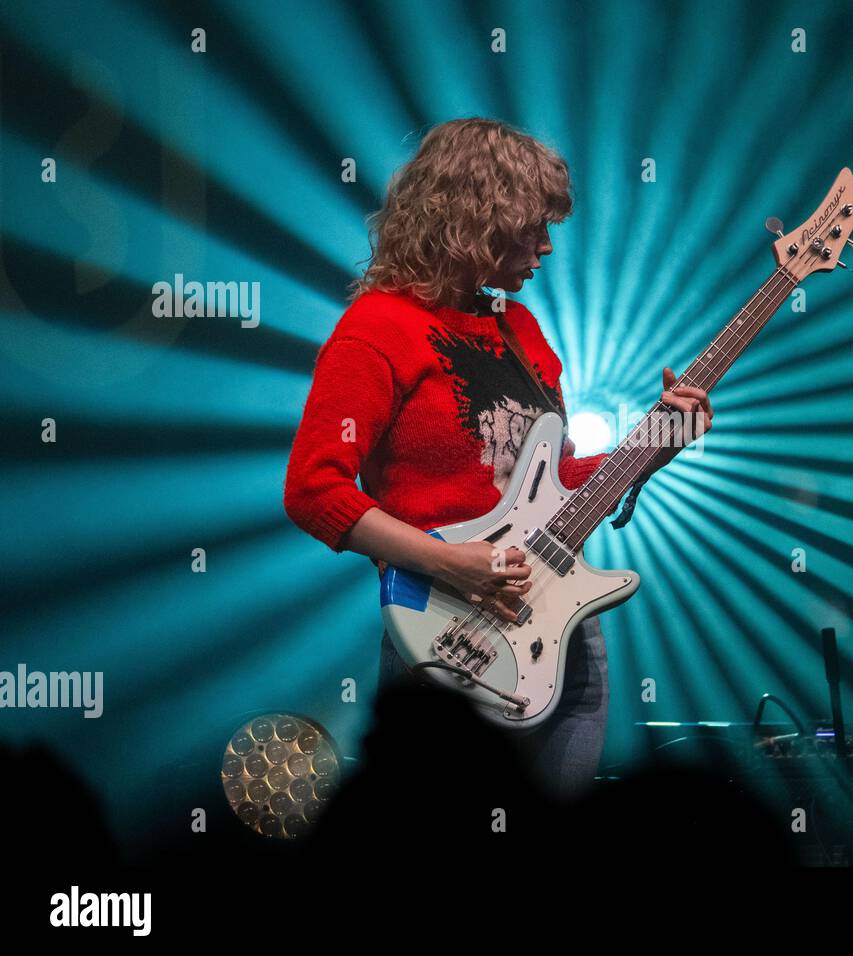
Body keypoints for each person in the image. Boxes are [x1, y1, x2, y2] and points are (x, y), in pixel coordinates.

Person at [283, 117, 713, 798]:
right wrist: (450, 561)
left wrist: (654, 446)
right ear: (475, 216)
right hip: (447, 624)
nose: (546, 246)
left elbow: (557, 483)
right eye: (534, 225)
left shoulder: (524, 331)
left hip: (560, 626)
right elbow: (313, 489)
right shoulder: (378, 328)